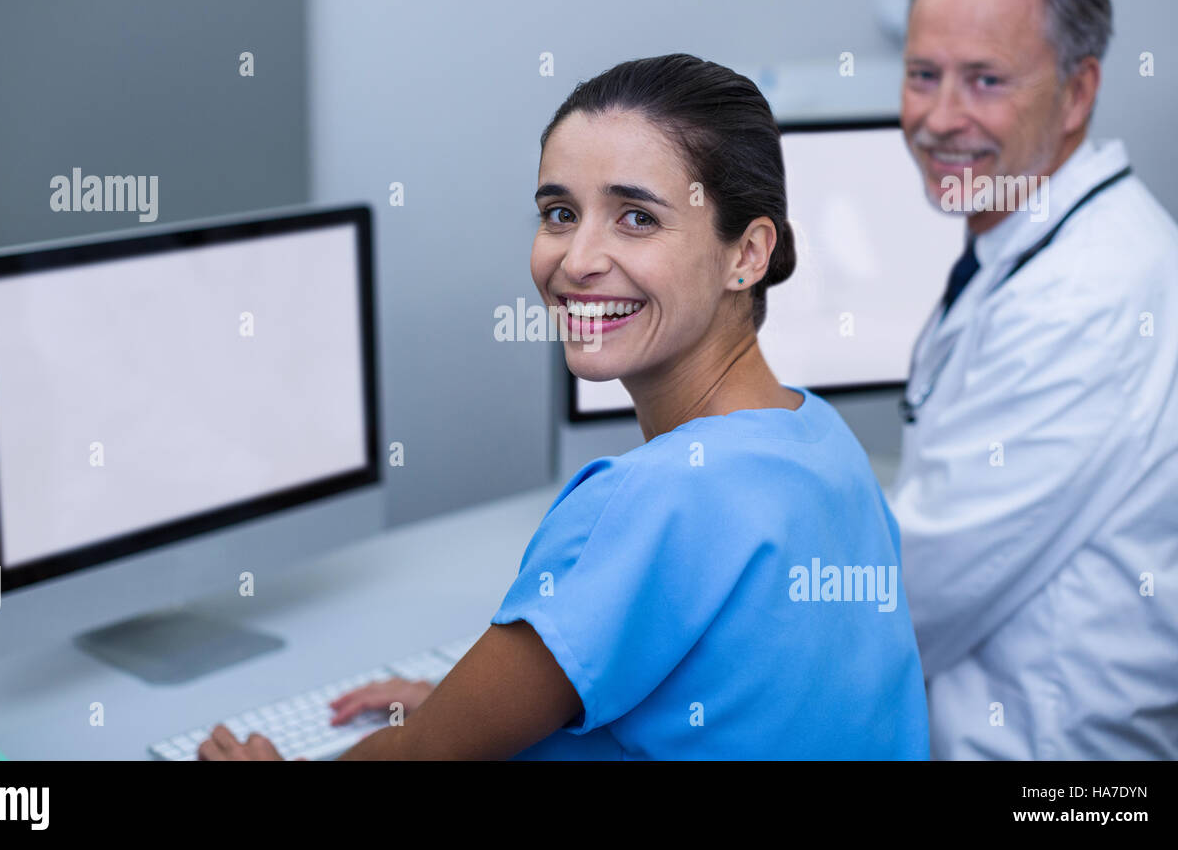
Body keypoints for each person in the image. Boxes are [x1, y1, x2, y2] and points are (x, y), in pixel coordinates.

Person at [201, 53, 929, 760]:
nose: (576, 260)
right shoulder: (820, 441)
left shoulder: (653, 501)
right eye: (559, 212)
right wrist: (482, 702)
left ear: (747, 254)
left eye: (636, 218)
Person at [891, 0, 1178, 759]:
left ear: (1076, 93)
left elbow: (915, 592)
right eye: (923, 74)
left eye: (985, 81)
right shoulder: (1030, 241)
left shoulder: (1093, 289)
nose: (938, 117)